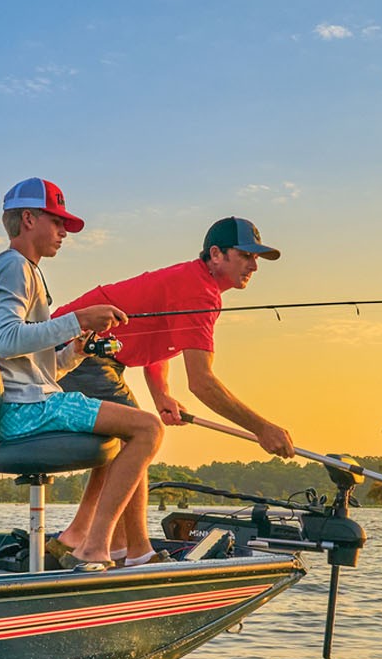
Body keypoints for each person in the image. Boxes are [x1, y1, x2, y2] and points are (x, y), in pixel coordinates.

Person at [48, 216, 294, 565]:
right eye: (246, 255)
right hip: (77, 348)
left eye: (256, 258)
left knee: (124, 438)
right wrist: (261, 428)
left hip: (94, 354)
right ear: (216, 254)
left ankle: (89, 538)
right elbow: (202, 382)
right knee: (139, 434)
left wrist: (161, 394)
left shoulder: (193, 282)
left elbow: (157, 337)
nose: (254, 265)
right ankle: (131, 551)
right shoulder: (199, 291)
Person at [0, 177, 165, 571]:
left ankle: (109, 545)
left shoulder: (20, 269)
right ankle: (95, 548)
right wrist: (78, 319)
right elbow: (6, 341)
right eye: (56, 221)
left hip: (25, 403)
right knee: (149, 428)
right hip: (25, 411)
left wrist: (72, 353)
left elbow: (30, 365)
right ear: (29, 219)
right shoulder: (15, 266)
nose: (63, 232)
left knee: (124, 429)